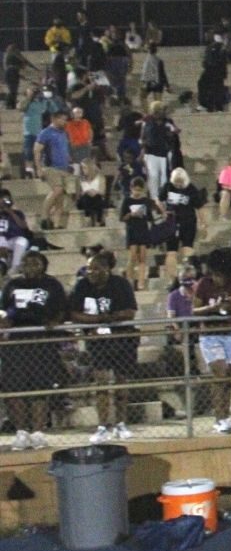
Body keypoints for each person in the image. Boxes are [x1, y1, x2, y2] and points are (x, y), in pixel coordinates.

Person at [69, 252, 138, 443]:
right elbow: (73, 313)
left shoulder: (120, 284)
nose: (91, 272)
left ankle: (121, 423)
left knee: (121, 382)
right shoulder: (82, 286)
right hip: (97, 342)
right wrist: (100, 319)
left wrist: (110, 319)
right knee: (101, 383)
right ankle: (103, 426)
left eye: (95, 268)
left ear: (107, 269)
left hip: (121, 340)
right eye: (89, 268)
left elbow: (130, 312)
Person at [0, 252, 67, 450]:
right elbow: (4, 308)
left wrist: (55, 321)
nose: (29, 266)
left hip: (41, 340)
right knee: (15, 387)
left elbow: (62, 309)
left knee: (40, 387)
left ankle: (38, 431)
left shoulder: (52, 285)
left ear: (43, 266)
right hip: (16, 341)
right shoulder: (12, 285)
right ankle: (21, 431)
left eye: (35, 263)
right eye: (26, 263)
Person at [192, 248, 231, 435]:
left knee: (228, 377)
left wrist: (229, 306)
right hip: (210, 334)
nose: (219, 279)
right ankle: (219, 418)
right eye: (216, 275)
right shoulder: (204, 284)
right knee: (219, 374)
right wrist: (212, 307)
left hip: (230, 333)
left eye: (221, 275)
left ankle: (226, 416)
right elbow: (194, 310)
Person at [159, 167, 206, 278]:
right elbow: (159, 199)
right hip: (172, 222)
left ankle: (188, 277)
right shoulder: (168, 186)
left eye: (180, 182)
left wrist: (203, 223)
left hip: (188, 222)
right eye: (176, 182)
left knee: (187, 250)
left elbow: (199, 207)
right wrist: (163, 212)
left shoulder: (191, 189)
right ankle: (173, 279)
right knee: (171, 252)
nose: (178, 185)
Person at [33, 109, 74, 230]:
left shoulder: (64, 133)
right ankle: (44, 217)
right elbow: (37, 150)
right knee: (58, 190)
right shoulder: (45, 133)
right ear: (54, 119)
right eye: (62, 119)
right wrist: (39, 168)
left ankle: (56, 225)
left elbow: (65, 149)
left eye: (65, 120)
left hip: (64, 168)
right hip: (51, 167)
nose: (64, 122)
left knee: (60, 200)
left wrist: (69, 160)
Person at [120, 177, 161, 291]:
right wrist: (132, 214)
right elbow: (122, 217)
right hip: (132, 230)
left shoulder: (145, 201)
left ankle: (141, 282)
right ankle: (129, 281)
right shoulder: (127, 201)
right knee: (133, 256)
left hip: (143, 229)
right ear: (131, 189)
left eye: (139, 190)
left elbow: (153, 213)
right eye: (135, 190)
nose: (137, 192)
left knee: (142, 257)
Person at [140, 100, 177, 199]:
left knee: (164, 177)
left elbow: (174, 133)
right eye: (157, 111)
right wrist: (143, 149)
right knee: (153, 177)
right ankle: (154, 199)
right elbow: (142, 137)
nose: (161, 113)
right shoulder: (147, 122)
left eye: (162, 111)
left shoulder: (168, 122)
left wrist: (171, 134)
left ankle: (163, 198)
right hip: (150, 153)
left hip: (164, 153)